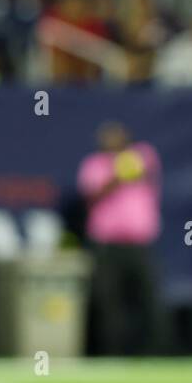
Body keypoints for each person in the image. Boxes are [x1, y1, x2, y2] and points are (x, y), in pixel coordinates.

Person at [76, 121, 163, 354]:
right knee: (109, 302)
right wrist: (118, 174)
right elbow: (94, 192)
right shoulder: (93, 165)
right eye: (106, 138)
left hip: (139, 244)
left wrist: (125, 167)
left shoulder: (142, 154)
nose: (110, 141)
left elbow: (144, 170)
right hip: (106, 245)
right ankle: (112, 353)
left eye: (115, 136)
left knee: (147, 299)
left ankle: (152, 352)